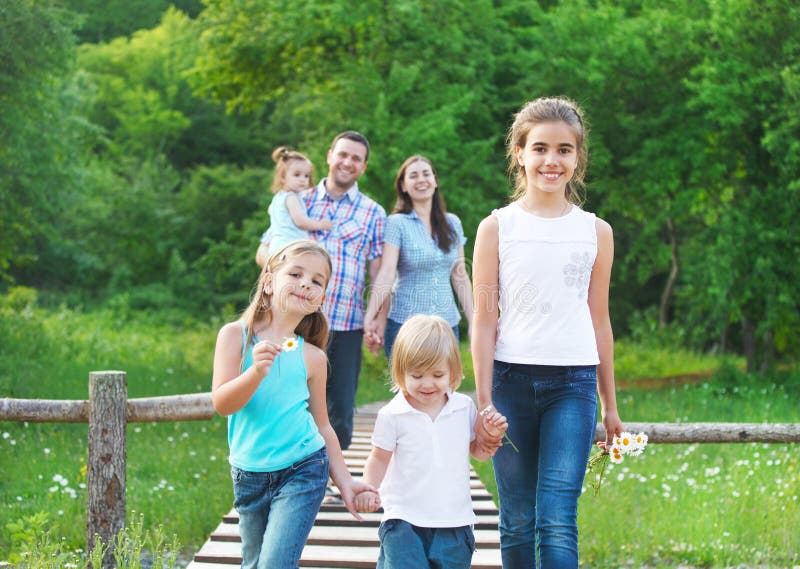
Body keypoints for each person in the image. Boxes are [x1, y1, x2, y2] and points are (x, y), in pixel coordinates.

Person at [471, 96, 624, 568]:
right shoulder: (496, 227)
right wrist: (483, 402)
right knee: (517, 518)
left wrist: (611, 404)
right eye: (539, 148)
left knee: (557, 517)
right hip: (509, 382)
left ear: (577, 157)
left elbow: (599, 319)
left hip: (573, 386)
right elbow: (483, 319)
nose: (551, 160)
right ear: (519, 153)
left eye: (563, 149)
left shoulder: (596, 232)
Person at [212, 240, 374, 569]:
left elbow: (323, 425)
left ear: (321, 300)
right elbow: (223, 403)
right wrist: (256, 372)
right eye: (296, 273)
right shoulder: (235, 337)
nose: (306, 284)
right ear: (269, 282)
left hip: (303, 467)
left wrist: (344, 480)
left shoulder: (312, 357)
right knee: (255, 563)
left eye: (317, 281)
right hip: (249, 473)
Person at [259, 131, 386, 450]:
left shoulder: (372, 212)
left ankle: (335, 474)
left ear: (364, 167)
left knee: (340, 406)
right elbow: (263, 250)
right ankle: (290, 466)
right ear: (330, 156)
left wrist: (376, 317)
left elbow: (378, 271)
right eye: (343, 154)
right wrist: (282, 262)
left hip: (345, 324)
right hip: (296, 322)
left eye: (356, 158)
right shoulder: (298, 198)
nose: (348, 162)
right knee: (290, 395)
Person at [354, 314, 508, 569]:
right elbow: (379, 457)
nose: (427, 384)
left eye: (437, 375)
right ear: (401, 372)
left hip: (454, 522)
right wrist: (369, 488)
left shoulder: (463, 407)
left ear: (453, 372)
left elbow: (478, 452)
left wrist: (490, 437)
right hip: (403, 519)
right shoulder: (392, 414)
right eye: (417, 376)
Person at [362, 155, 474, 359]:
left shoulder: (453, 223)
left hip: (446, 324)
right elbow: (386, 273)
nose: (421, 179)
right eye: (413, 176)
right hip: (405, 325)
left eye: (426, 174)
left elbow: (460, 276)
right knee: (407, 389)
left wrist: (474, 323)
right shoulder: (397, 223)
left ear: (435, 180)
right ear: (404, 186)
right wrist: (370, 317)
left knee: (445, 387)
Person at [255, 147, 332, 262]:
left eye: (306, 176)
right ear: (283, 177)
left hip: (277, 247)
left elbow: (270, 212)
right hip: (289, 246)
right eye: (297, 175)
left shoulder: (278, 197)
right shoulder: (292, 197)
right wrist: (322, 225)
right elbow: (301, 222)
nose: (303, 180)